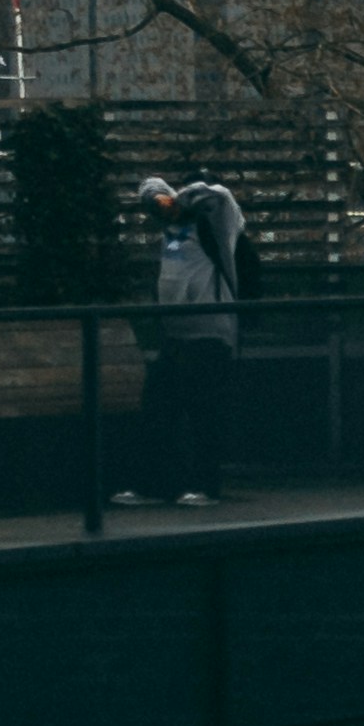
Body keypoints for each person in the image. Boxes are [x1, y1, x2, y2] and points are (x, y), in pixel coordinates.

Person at [126, 172, 248, 507]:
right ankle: (156, 485)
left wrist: (179, 202)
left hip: (211, 332)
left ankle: (205, 486)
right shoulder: (172, 228)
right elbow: (149, 184)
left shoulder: (219, 225)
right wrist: (159, 201)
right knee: (159, 410)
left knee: (204, 413)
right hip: (176, 334)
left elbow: (218, 196)